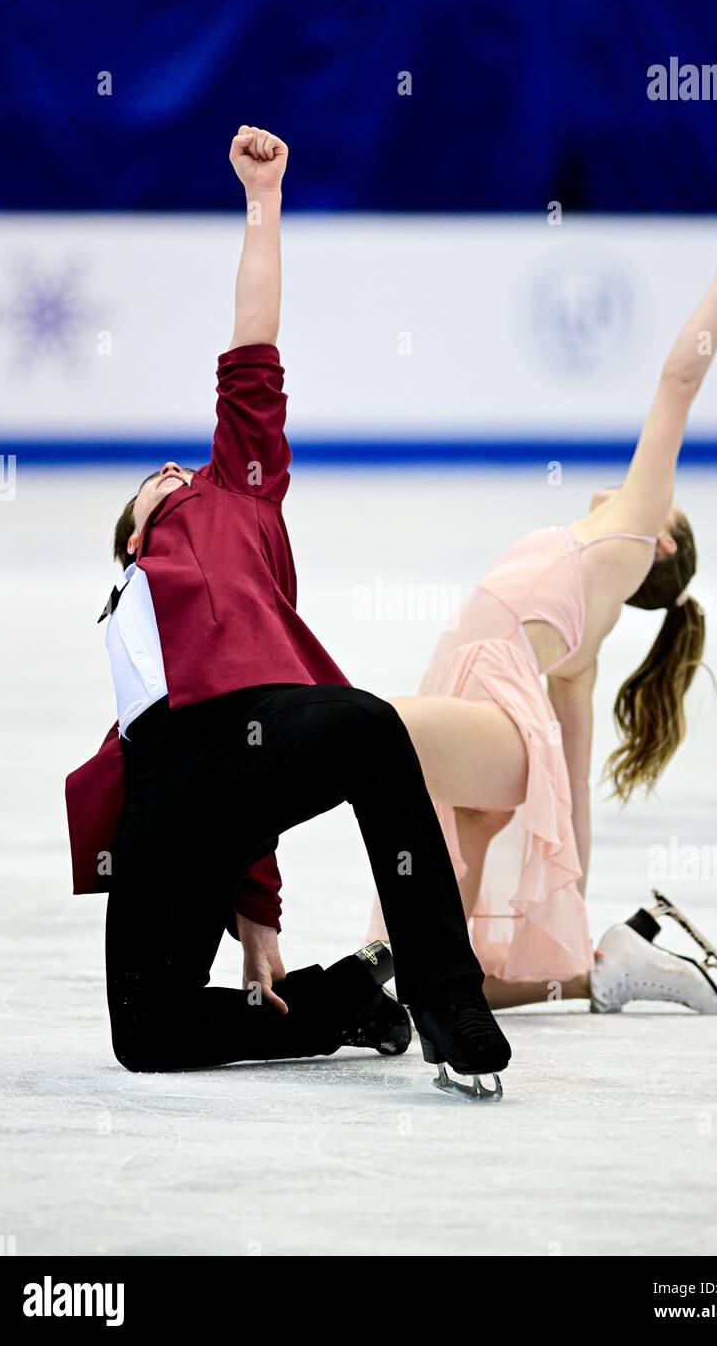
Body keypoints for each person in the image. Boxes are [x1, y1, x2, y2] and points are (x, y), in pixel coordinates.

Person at [65, 125, 510, 1092]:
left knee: (370, 730)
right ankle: (344, 1003)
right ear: (136, 536)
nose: (173, 470)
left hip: (247, 730)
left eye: (178, 467)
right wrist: (257, 921)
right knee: (146, 1032)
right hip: (163, 792)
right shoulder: (136, 593)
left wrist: (262, 202)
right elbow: (222, 792)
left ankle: (449, 998)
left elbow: (251, 343)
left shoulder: (239, 492)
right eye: (155, 480)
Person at [371, 210, 717, 1014]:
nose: (648, 493)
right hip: (494, 717)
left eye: (663, 507)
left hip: (487, 703)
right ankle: (604, 969)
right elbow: (568, 775)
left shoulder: (627, 537)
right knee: (456, 975)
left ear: (660, 545)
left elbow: (677, 383)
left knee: (357, 735)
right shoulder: (594, 628)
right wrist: (573, 907)